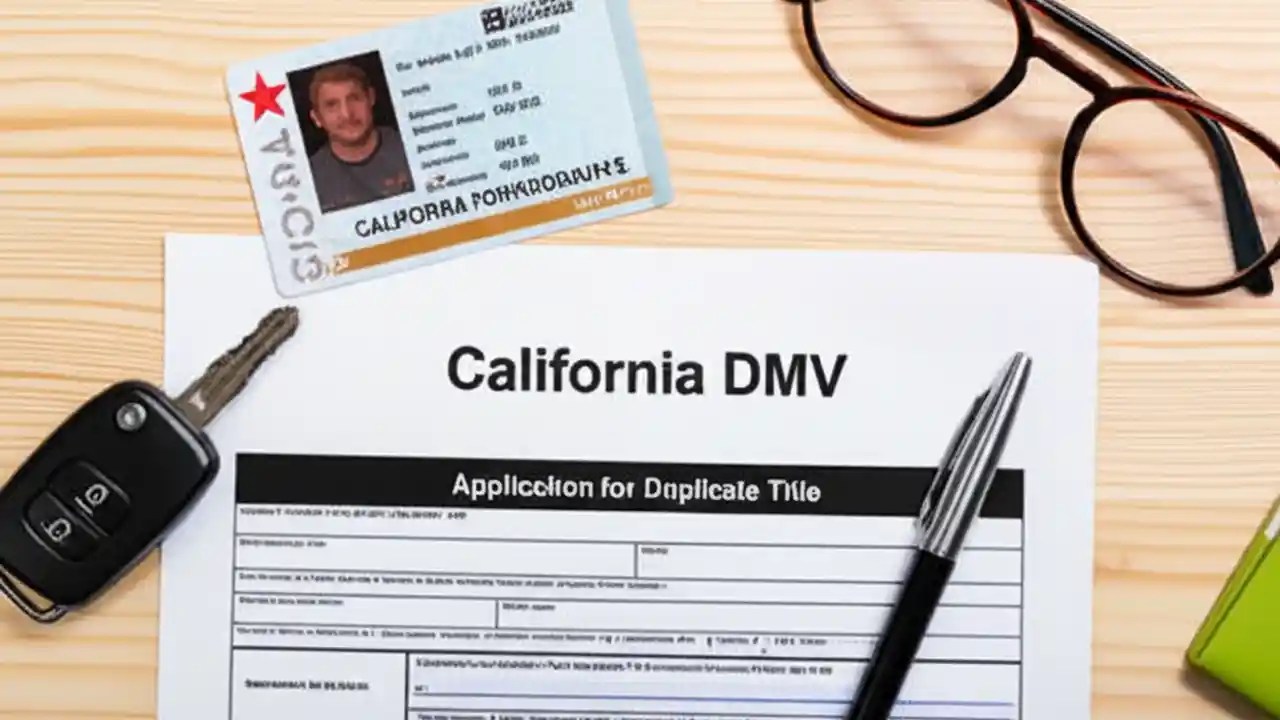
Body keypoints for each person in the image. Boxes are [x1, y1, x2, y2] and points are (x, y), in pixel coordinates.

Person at [305, 61, 413, 213]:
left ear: (371, 98)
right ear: (317, 118)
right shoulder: (307, 180)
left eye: (354, 98)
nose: (347, 114)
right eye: (332, 105)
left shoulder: (413, 145)